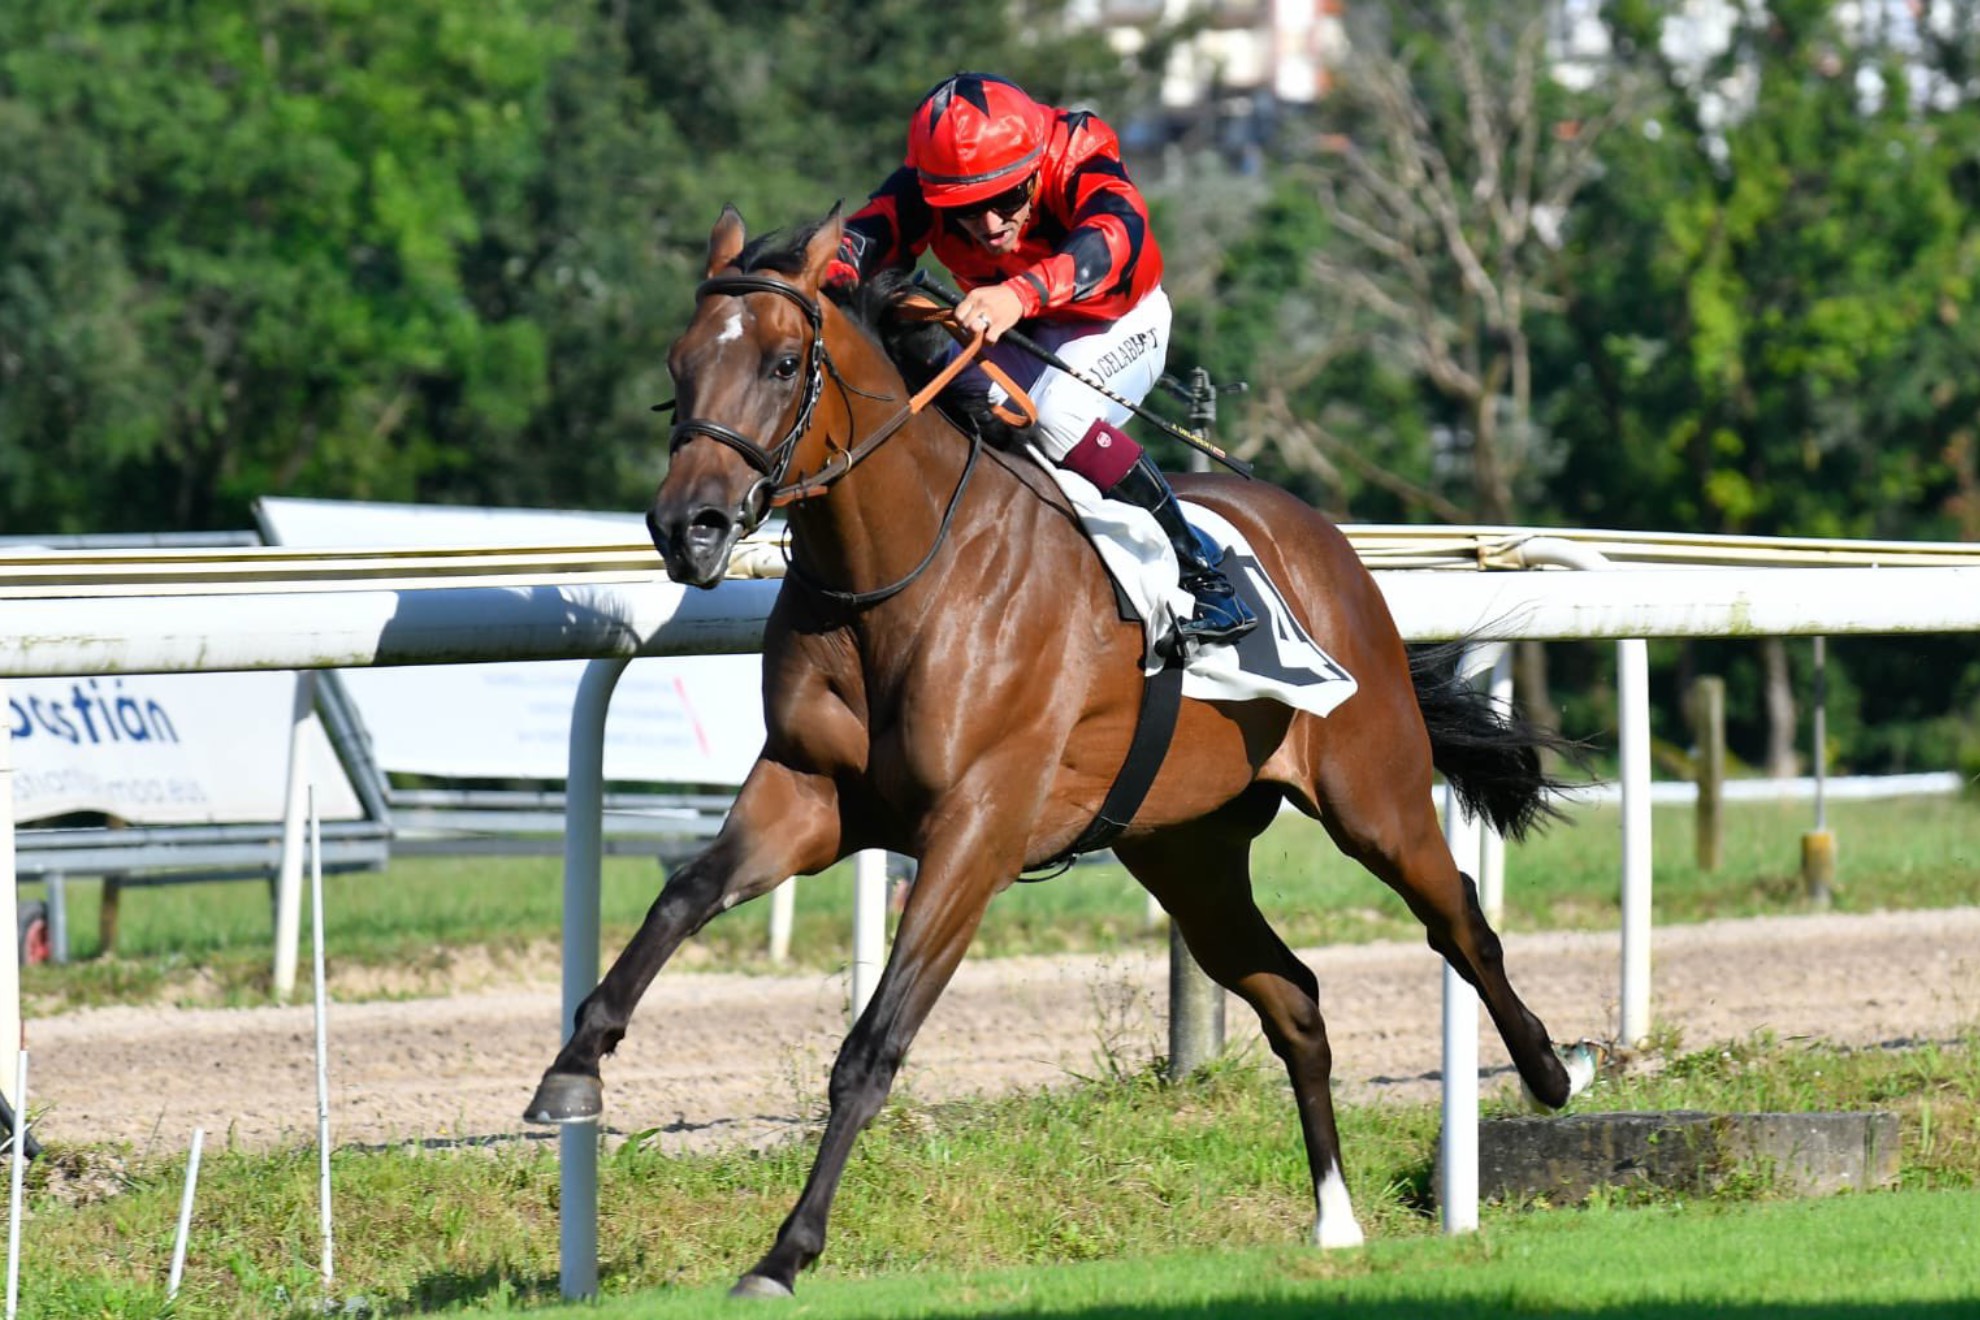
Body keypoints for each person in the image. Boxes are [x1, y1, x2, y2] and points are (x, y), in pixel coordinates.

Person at [825, 71, 1255, 646]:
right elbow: (862, 237)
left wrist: (1019, 293)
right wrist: (824, 275)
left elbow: (1117, 234)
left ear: (1032, 170)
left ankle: (1205, 573)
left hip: (1118, 320)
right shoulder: (925, 185)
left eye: (1005, 199)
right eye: (965, 210)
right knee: (934, 418)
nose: (989, 225)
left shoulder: (1079, 151)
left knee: (1055, 420)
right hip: (1020, 325)